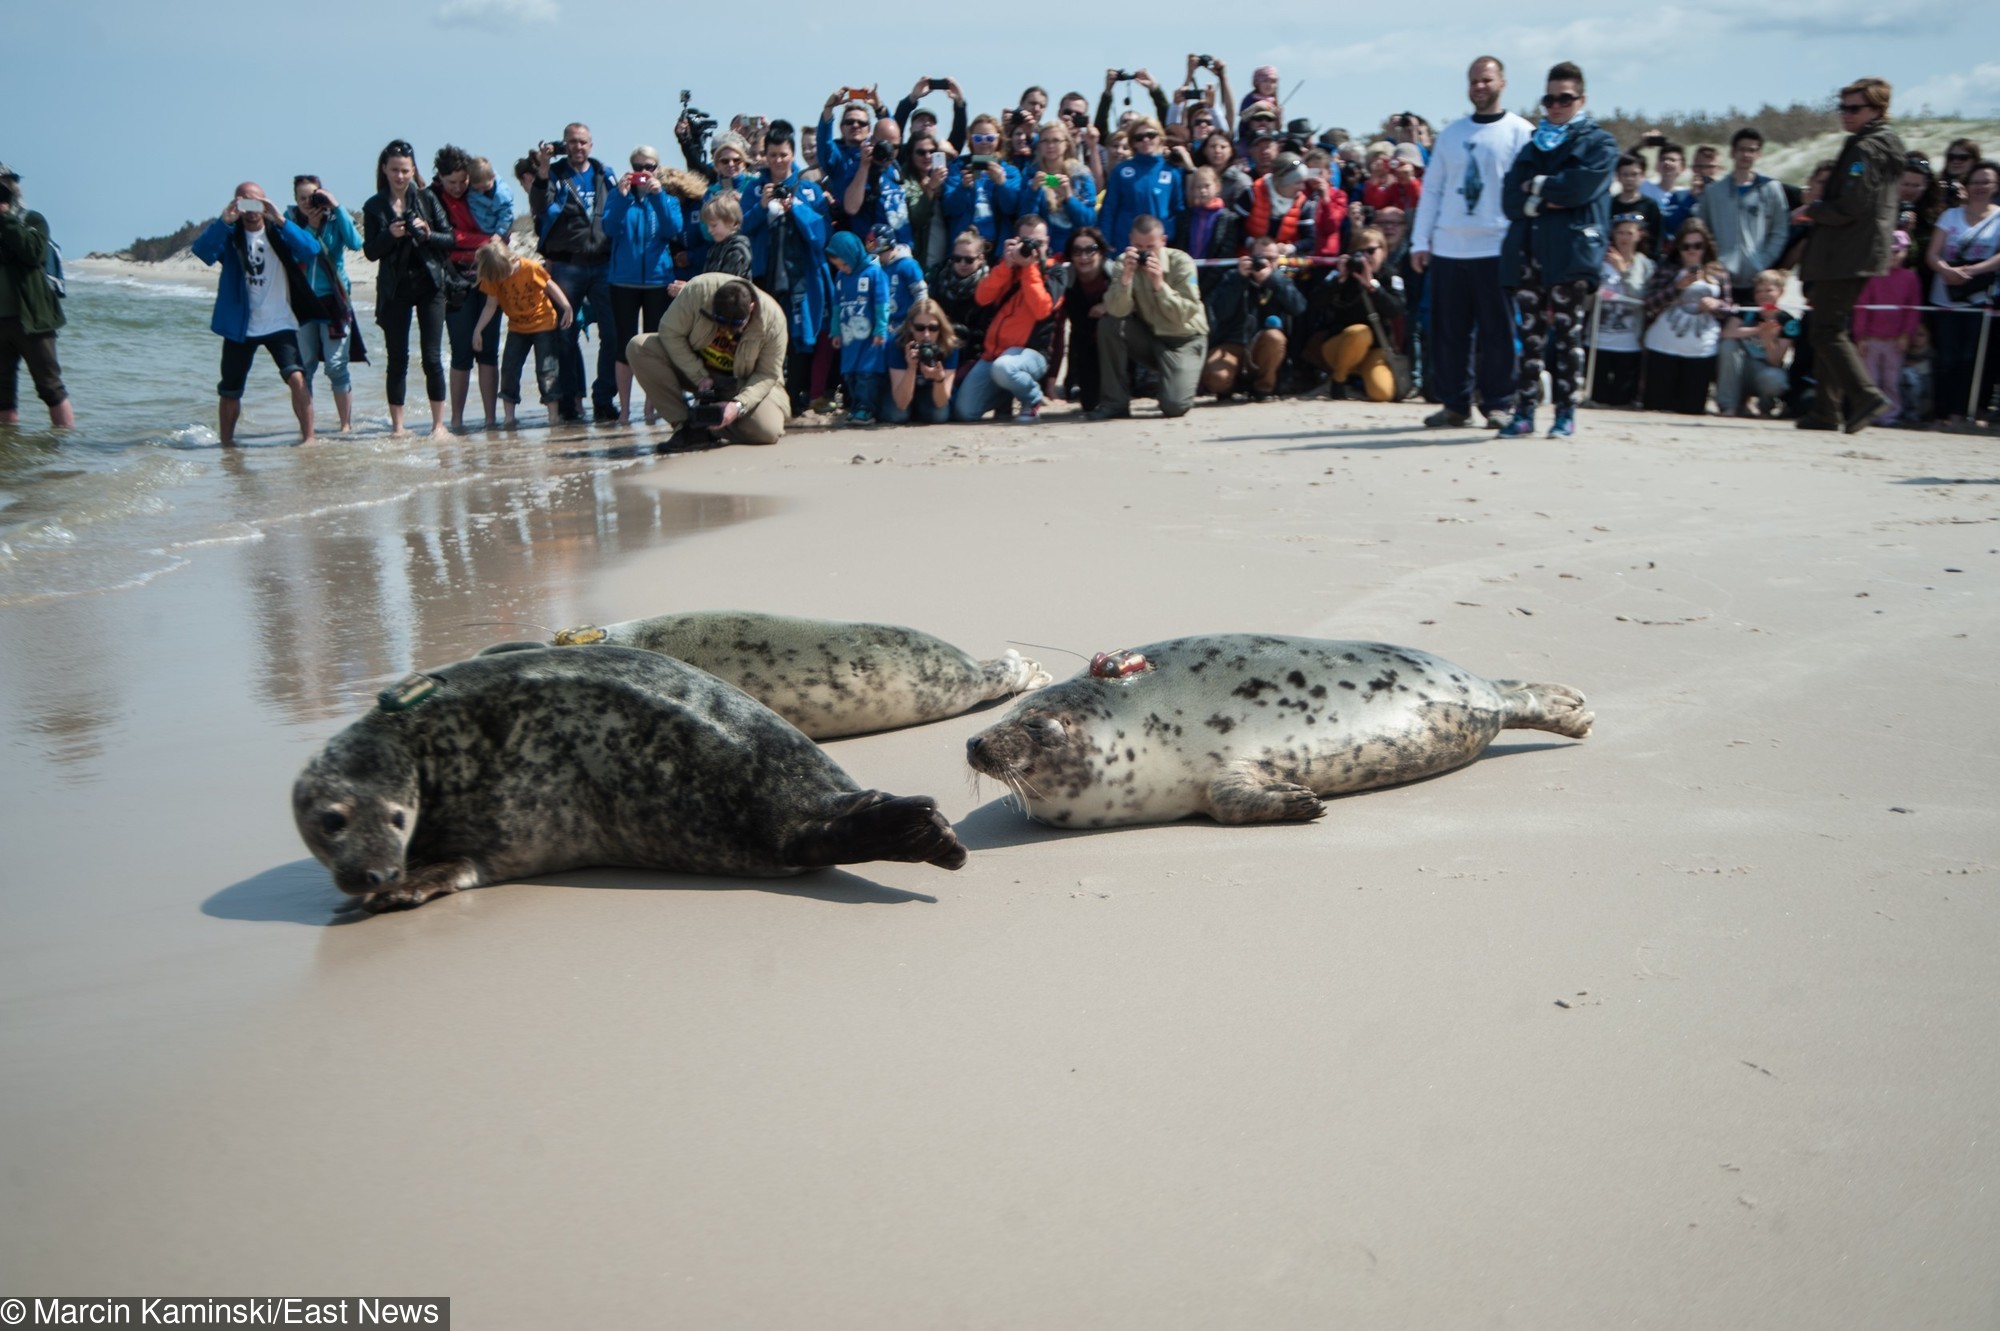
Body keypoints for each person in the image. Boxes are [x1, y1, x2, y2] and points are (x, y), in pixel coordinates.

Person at [1410, 55, 1532, 430]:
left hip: (1495, 247)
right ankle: (1455, 404)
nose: (1480, 87)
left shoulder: (1520, 131)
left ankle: (1497, 404)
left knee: (1497, 332)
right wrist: (1420, 240)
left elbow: (1527, 192)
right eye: (1474, 81)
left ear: (1502, 83)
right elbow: (1432, 190)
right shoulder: (1452, 133)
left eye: (1487, 80)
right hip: (1448, 247)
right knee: (1450, 332)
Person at [1496, 61, 1618, 439]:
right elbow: (1510, 200)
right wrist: (1544, 194)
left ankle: (1566, 413)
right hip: (1529, 250)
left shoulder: (1599, 143)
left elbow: (1578, 189)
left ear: (1581, 100)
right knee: (1529, 335)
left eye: (1564, 98)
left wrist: (1538, 188)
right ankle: (1525, 411)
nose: (1555, 106)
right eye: (1549, 99)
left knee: (1567, 337)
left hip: (1572, 252)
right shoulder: (1533, 144)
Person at [1794, 77, 1906, 433]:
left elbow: (1852, 204)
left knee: (1826, 329)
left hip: (1846, 251)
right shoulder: (1881, 144)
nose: (1845, 114)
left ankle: (1865, 396)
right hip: (1855, 250)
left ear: (1877, 109)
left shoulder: (1867, 148)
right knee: (1829, 327)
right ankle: (1828, 411)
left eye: (1854, 108)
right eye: (1843, 108)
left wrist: (1814, 210)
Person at [192, 182, 320, 445]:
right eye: (245, 203)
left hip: (279, 321)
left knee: (297, 378)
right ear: (236, 204)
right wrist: (224, 221)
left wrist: (281, 218)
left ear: (265, 203)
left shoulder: (278, 232)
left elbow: (310, 249)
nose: (252, 210)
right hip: (241, 325)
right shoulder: (230, 236)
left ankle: (309, 438)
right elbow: (203, 252)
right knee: (230, 389)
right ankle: (226, 444)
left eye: (257, 203)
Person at [625, 274, 791, 449]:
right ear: (712, 305)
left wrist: (738, 406)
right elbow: (669, 332)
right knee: (638, 347)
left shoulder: (773, 319)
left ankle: (711, 425)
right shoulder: (697, 291)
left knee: (767, 431)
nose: (727, 330)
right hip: (697, 370)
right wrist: (699, 376)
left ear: (751, 308)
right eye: (720, 322)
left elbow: (767, 374)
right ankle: (687, 426)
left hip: (742, 382)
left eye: (736, 324)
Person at [361, 141, 453, 436]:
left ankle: (438, 425)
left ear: (413, 170)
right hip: (395, 288)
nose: (400, 176)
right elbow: (371, 252)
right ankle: (398, 427)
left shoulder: (427, 198)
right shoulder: (374, 206)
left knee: (432, 357)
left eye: (405, 170)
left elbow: (450, 239)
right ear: (384, 170)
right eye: (394, 171)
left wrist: (427, 233)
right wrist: (390, 235)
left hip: (430, 284)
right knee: (397, 358)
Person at [743, 121, 833, 416]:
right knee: (764, 338)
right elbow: (741, 229)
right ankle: (766, 399)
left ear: (792, 154)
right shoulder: (755, 188)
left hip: (800, 278)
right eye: (772, 155)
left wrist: (797, 208)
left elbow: (821, 236)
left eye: (783, 155)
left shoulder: (808, 190)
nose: (778, 161)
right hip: (764, 276)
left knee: (799, 337)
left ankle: (796, 398)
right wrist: (762, 206)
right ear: (764, 156)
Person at [531, 123, 619, 422]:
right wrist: (543, 171)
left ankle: (604, 399)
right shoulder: (555, 175)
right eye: (572, 142)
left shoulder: (604, 174)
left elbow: (618, 210)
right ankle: (569, 400)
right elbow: (539, 206)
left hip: (603, 263)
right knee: (565, 335)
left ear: (591, 145)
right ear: (564, 144)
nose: (577, 147)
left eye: (582, 142)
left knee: (612, 334)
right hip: (568, 264)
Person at [1091, 213, 1208, 419]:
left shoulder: (1181, 262)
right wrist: (1126, 279)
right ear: (1130, 241)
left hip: (1184, 340)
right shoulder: (1124, 262)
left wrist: (1159, 285)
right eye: (1138, 247)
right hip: (1151, 337)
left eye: (1150, 247)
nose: (1144, 254)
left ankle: (1181, 377)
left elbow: (1184, 313)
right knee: (1109, 325)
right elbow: (1117, 311)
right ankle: (1114, 403)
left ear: (1163, 241)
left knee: (1174, 406)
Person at [954, 214, 1068, 424]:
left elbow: (1042, 309)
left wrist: (1029, 268)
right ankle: (1004, 397)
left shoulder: (1056, 271)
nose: (1033, 248)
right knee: (965, 411)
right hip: (994, 354)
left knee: (1005, 367)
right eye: (1027, 242)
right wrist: (1006, 265)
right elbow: (982, 297)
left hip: (1032, 355)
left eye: (1039, 243)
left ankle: (1032, 400)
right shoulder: (1007, 267)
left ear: (1048, 242)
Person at [605, 147, 688, 424]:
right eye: (638, 166)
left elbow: (672, 228)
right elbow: (608, 228)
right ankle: (625, 410)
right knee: (623, 347)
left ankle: (651, 408)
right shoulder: (620, 197)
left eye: (649, 166)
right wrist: (619, 197)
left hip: (657, 280)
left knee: (654, 345)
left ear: (657, 168)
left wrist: (658, 195)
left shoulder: (667, 198)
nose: (644, 171)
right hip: (623, 281)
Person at [430, 145, 504, 431]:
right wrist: (486, 240)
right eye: (452, 183)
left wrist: (492, 239)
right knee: (461, 351)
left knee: (488, 350)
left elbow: (503, 224)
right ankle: (456, 421)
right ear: (440, 178)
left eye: (463, 181)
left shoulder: (482, 189)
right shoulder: (433, 197)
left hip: (489, 275)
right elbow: (448, 237)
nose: (459, 187)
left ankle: (490, 419)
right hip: (454, 279)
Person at [1925, 158, 2000, 428]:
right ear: (1966, 186)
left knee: (1972, 358)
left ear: (1996, 185)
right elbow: (1933, 253)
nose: (1980, 187)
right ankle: (1941, 413)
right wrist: (1945, 270)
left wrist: (1974, 270)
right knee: (1946, 356)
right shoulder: (1950, 215)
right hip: (1944, 295)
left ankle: (1965, 412)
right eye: (1975, 182)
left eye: (1986, 181)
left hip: (1979, 297)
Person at [285, 175, 363, 432]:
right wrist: (308, 228)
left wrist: (337, 206)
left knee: (336, 365)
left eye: (314, 196)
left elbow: (355, 242)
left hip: (335, 300)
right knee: (304, 367)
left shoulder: (334, 219)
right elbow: (296, 253)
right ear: (295, 200)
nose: (309, 202)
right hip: (303, 301)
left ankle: (345, 426)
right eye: (302, 198)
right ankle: (307, 429)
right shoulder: (290, 223)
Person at [470, 239, 574, 427]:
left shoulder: (530, 268)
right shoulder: (494, 276)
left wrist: (566, 306)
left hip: (543, 324)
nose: (502, 279)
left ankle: (553, 415)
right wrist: (478, 330)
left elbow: (550, 286)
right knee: (509, 370)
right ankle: (509, 416)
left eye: (504, 274)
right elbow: (490, 305)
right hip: (517, 328)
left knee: (547, 370)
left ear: (510, 260)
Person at [0, 164, 73, 429]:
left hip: (34, 320)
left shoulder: (32, 220)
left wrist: (6, 217)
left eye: (3, 187)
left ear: (13, 189)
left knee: (51, 388)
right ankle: (9, 459)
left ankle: (65, 450)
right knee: (3, 398)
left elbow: (33, 253)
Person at [1640, 218, 1735, 415]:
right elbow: (1649, 303)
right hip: (1662, 348)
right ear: (1678, 247)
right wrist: (1676, 288)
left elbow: (1728, 309)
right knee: (1656, 409)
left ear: (1706, 247)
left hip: (1700, 351)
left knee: (1691, 409)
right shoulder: (1667, 269)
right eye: (1686, 246)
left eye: (1698, 246)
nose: (1692, 251)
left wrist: (1716, 305)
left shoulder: (1719, 272)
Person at [1305, 227, 1407, 402]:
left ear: (1384, 252)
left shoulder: (1390, 276)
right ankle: (1338, 380)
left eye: (1371, 251)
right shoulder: (1342, 275)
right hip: (1339, 345)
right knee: (1360, 332)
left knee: (1382, 393)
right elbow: (1314, 304)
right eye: (1359, 252)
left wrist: (1373, 287)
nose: (1365, 257)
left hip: (1374, 349)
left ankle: (1354, 380)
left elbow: (1396, 309)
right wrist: (1338, 279)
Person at [1200, 234, 1305, 401]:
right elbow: (1220, 313)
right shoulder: (1232, 277)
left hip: (1262, 345)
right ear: (1249, 258)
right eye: (1260, 258)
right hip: (1232, 343)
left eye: (1271, 259)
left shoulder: (1281, 280)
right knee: (1216, 379)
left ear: (1278, 260)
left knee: (1274, 337)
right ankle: (1233, 386)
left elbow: (1299, 308)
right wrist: (1240, 280)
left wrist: (1272, 280)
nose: (1265, 263)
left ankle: (1263, 389)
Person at [1696, 128, 1791, 309]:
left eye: (1752, 150)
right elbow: (1703, 231)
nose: (1746, 154)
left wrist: (1764, 260)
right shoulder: (1714, 192)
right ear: (1732, 152)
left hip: (1758, 280)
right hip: (1722, 278)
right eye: (1742, 149)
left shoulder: (1771, 188)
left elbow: (1779, 230)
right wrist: (1714, 262)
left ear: (1759, 154)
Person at [1855, 236, 1921, 426]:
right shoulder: (1871, 276)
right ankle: (1869, 413)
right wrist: (1860, 336)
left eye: (1897, 251)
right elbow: (1862, 307)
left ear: (1905, 251)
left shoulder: (1910, 277)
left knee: (1891, 380)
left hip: (1895, 340)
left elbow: (1913, 309)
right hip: (1871, 339)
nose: (1892, 255)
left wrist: (1906, 334)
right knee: (1870, 379)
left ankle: (1891, 415)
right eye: (1889, 251)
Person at [1589, 213, 1653, 406]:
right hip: (1598, 339)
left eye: (1629, 233)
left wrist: (1623, 270)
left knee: (1622, 400)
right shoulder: (1600, 261)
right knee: (1598, 398)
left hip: (1629, 341)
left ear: (1639, 235)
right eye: (1620, 233)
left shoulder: (1646, 264)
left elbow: (1642, 297)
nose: (1624, 238)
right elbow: (1587, 299)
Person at [827, 231, 890, 425]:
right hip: (849, 338)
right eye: (838, 266)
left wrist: (881, 328)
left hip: (870, 337)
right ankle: (856, 406)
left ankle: (867, 408)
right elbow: (836, 307)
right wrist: (835, 331)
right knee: (850, 374)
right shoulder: (840, 277)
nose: (843, 268)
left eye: (844, 264)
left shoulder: (873, 273)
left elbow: (882, 303)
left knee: (867, 374)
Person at [1716, 268, 1797, 417]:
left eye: (1769, 290)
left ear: (1780, 292)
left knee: (1775, 379)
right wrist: (1757, 330)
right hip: (1741, 367)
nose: (1763, 295)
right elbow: (1726, 333)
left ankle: (1765, 407)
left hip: (1764, 369)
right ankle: (1729, 406)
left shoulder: (1788, 321)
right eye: (1759, 291)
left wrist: (1767, 339)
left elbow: (1776, 361)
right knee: (1728, 345)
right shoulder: (1747, 309)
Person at [1099, 118, 1182, 252]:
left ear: (1160, 138)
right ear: (1133, 143)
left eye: (1151, 135)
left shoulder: (1173, 172)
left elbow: (1178, 211)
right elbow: (1109, 210)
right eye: (1139, 137)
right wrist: (1105, 245)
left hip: (1158, 247)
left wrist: (1167, 234)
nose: (1145, 140)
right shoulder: (1121, 171)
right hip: (1125, 246)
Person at [943, 114, 1022, 247]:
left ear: (999, 139)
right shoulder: (958, 167)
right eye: (978, 138)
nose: (984, 142)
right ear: (971, 140)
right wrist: (962, 188)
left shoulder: (1010, 171)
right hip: (965, 249)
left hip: (998, 247)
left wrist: (1002, 184)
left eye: (990, 138)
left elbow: (1012, 209)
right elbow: (949, 208)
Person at [883, 296, 960, 424]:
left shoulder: (949, 346)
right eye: (920, 328)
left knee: (940, 415)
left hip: (930, 391)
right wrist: (911, 368)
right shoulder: (897, 343)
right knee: (899, 415)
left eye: (933, 328)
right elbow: (901, 403)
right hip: (900, 389)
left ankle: (918, 412)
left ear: (940, 328)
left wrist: (939, 379)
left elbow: (941, 402)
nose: (926, 335)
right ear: (911, 327)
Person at [1058, 226, 1111, 410]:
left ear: (1101, 251)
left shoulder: (1115, 274)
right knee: (1089, 404)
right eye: (1077, 251)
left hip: (1117, 345)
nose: (1084, 256)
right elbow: (1066, 329)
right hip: (1085, 344)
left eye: (1090, 249)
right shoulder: (1067, 281)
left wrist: (1108, 306)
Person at [844, 115, 915, 249]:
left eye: (895, 147)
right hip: (876, 252)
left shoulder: (895, 166)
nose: (891, 152)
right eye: (886, 146)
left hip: (902, 248)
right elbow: (851, 208)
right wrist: (864, 166)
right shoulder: (857, 167)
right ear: (872, 141)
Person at [1028, 121, 1098, 256]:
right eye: (1045, 141)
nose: (1050, 145)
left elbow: (1089, 221)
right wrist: (1033, 192)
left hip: (1075, 251)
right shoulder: (1031, 174)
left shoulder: (1081, 175)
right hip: (1042, 252)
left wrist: (1069, 198)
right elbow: (1025, 220)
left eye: (1056, 140)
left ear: (1066, 144)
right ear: (1039, 146)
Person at [1609, 155, 1663, 260]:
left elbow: (1657, 237)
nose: (1630, 179)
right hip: (1613, 260)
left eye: (1634, 174)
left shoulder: (1650, 205)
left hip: (1642, 262)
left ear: (1642, 176)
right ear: (1618, 177)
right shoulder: (1610, 204)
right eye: (1625, 174)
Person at [701, 194, 753, 277]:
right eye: (708, 226)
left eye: (714, 225)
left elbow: (727, 284)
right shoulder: (714, 249)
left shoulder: (737, 250)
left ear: (732, 222)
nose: (709, 230)